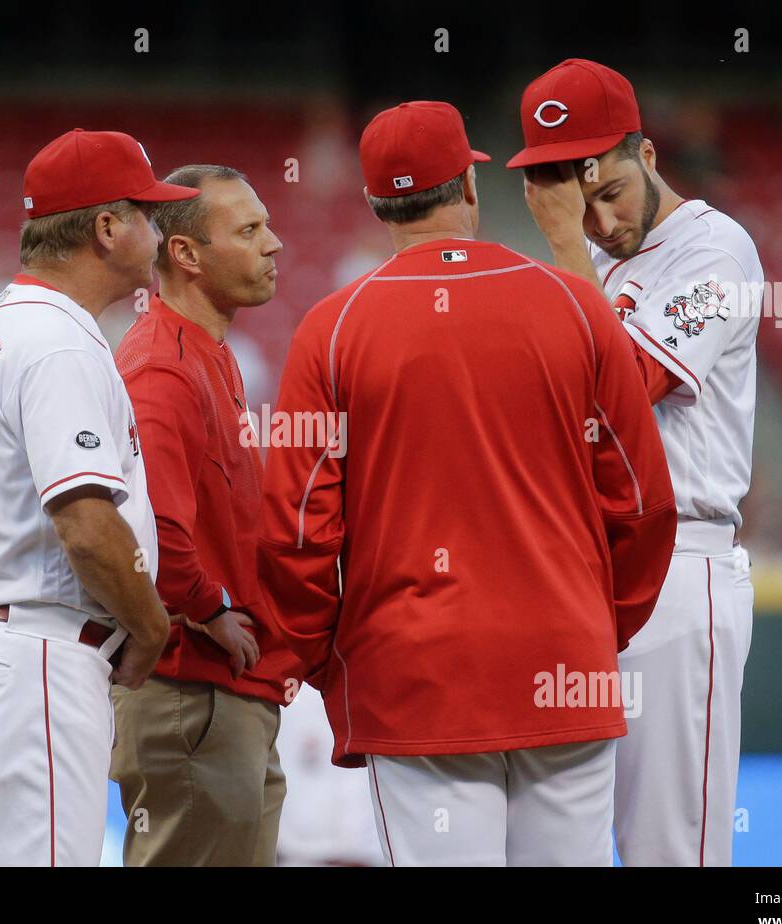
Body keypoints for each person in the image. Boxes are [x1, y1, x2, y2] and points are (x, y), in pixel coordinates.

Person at [258, 101, 676, 866]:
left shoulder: (333, 327)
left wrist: (324, 657)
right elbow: (645, 503)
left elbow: (295, 528)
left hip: (415, 674)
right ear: (470, 189)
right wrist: (598, 626)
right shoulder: (577, 305)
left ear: (377, 204)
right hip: (564, 665)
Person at [509, 58, 763, 866]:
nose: (597, 218)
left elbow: (629, 384)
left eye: (609, 189)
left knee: (669, 848)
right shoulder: (599, 267)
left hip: (682, 565)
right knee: (565, 840)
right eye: (574, 203)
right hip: (583, 574)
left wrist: (560, 245)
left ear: (647, 154)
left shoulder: (715, 251)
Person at [0, 128, 190, 866]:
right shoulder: (59, 340)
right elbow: (85, 526)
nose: (159, 228)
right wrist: (149, 625)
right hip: (36, 661)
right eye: (146, 211)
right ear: (106, 228)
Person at [112, 164, 303, 866]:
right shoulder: (163, 367)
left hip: (220, 689)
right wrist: (210, 605)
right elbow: (151, 531)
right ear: (186, 255)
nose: (274, 243)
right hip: (191, 688)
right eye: (249, 230)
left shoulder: (209, 356)